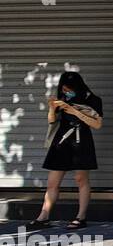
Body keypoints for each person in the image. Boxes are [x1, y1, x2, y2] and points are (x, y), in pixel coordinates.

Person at [28, 71, 103, 230]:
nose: (67, 92)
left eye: (70, 89)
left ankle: (80, 217)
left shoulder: (93, 100)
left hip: (81, 141)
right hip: (61, 142)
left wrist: (75, 111)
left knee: (81, 179)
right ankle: (43, 217)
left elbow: (97, 124)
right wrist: (52, 108)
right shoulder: (62, 99)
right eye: (64, 89)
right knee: (52, 183)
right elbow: (52, 121)